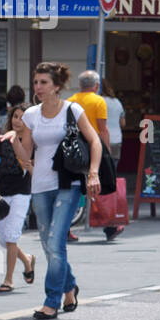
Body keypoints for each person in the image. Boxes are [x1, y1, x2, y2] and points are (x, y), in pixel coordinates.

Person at [9, 62, 103, 320]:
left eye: (44, 82)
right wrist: (15, 139)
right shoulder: (31, 115)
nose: (38, 87)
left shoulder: (72, 110)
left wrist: (93, 173)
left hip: (68, 184)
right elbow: (26, 155)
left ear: (57, 86)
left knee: (55, 242)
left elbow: (95, 141)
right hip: (40, 185)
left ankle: (52, 301)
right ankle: (69, 286)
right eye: (35, 82)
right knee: (48, 244)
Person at [67, 70, 121, 243]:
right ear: (97, 86)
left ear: (79, 85)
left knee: (74, 188)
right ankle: (110, 225)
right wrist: (106, 151)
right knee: (100, 187)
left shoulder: (70, 101)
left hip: (75, 150)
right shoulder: (98, 101)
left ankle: (65, 228)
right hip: (93, 148)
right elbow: (102, 129)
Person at [0, 103, 36, 293]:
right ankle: (27, 260)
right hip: (2, 191)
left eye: (22, 118)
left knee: (11, 237)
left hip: (22, 192)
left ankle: (8, 279)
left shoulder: (33, 142)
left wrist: (29, 165)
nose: (17, 121)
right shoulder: (2, 140)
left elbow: (33, 170)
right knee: (4, 239)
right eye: (15, 116)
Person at [101, 80, 126, 162]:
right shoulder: (117, 102)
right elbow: (123, 123)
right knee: (113, 165)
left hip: (101, 140)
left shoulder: (98, 101)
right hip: (116, 139)